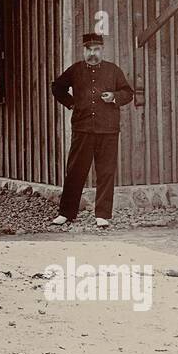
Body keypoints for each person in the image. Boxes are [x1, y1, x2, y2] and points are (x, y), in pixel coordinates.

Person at [50, 32, 135, 228]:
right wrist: (71, 104)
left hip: (108, 130)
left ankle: (102, 215)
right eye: (89, 49)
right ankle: (66, 213)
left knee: (106, 172)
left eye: (96, 49)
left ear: (102, 50)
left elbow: (128, 93)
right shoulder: (75, 70)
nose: (93, 53)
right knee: (75, 171)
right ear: (83, 50)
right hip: (83, 129)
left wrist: (114, 96)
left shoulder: (113, 71)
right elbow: (57, 87)